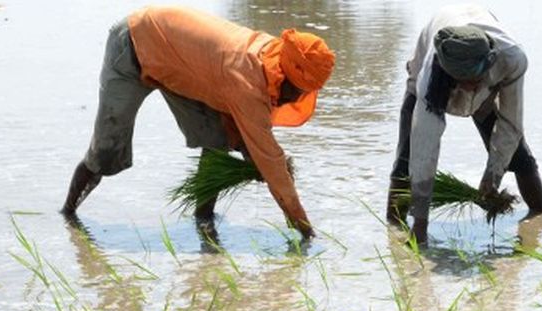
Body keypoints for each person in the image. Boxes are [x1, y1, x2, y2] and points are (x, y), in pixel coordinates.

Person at [61, 6, 336, 239]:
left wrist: (258, 160)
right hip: (134, 45)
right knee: (106, 149)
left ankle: (204, 220)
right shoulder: (247, 80)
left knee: (217, 140)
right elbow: (268, 157)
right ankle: (68, 216)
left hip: (177, 62)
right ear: (284, 74)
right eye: (298, 90)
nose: (297, 97)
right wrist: (303, 229)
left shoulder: (270, 56)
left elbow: (250, 138)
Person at [386, 4, 542, 244]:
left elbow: (511, 124)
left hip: (489, 88)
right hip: (435, 79)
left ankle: (540, 220)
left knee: (519, 157)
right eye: (463, 81)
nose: (470, 87)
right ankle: (394, 229)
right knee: (406, 161)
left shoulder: (511, 59)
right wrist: (421, 223)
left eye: (474, 80)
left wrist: (493, 176)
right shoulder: (432, 73)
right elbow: (425, 145)